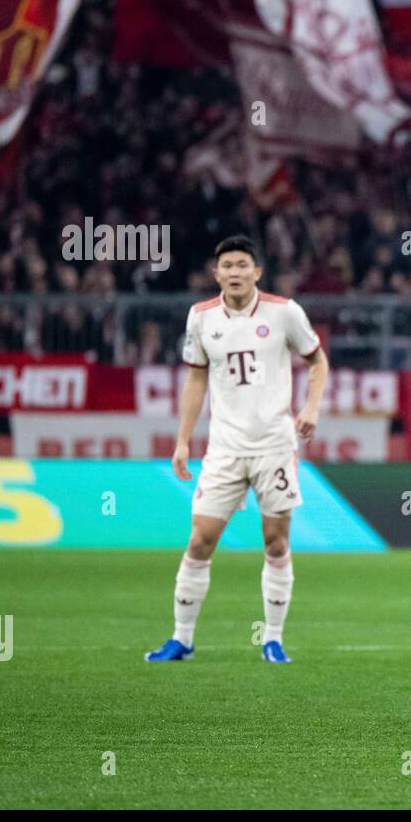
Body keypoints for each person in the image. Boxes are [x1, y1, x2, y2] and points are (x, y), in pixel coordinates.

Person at [145, 235, 329, 663]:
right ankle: (182, 638)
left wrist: (312, 408)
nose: (234, 272)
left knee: (276, 542)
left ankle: (273, 639)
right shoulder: (201, 317)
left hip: (274, 446)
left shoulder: (285, 313)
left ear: (257, 272)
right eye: (227, 265)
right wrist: (181, 439)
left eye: (242, 264)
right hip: (224, 448)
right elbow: (195, 379)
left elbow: (317, 360)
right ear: (216, 273)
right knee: (200, 540)